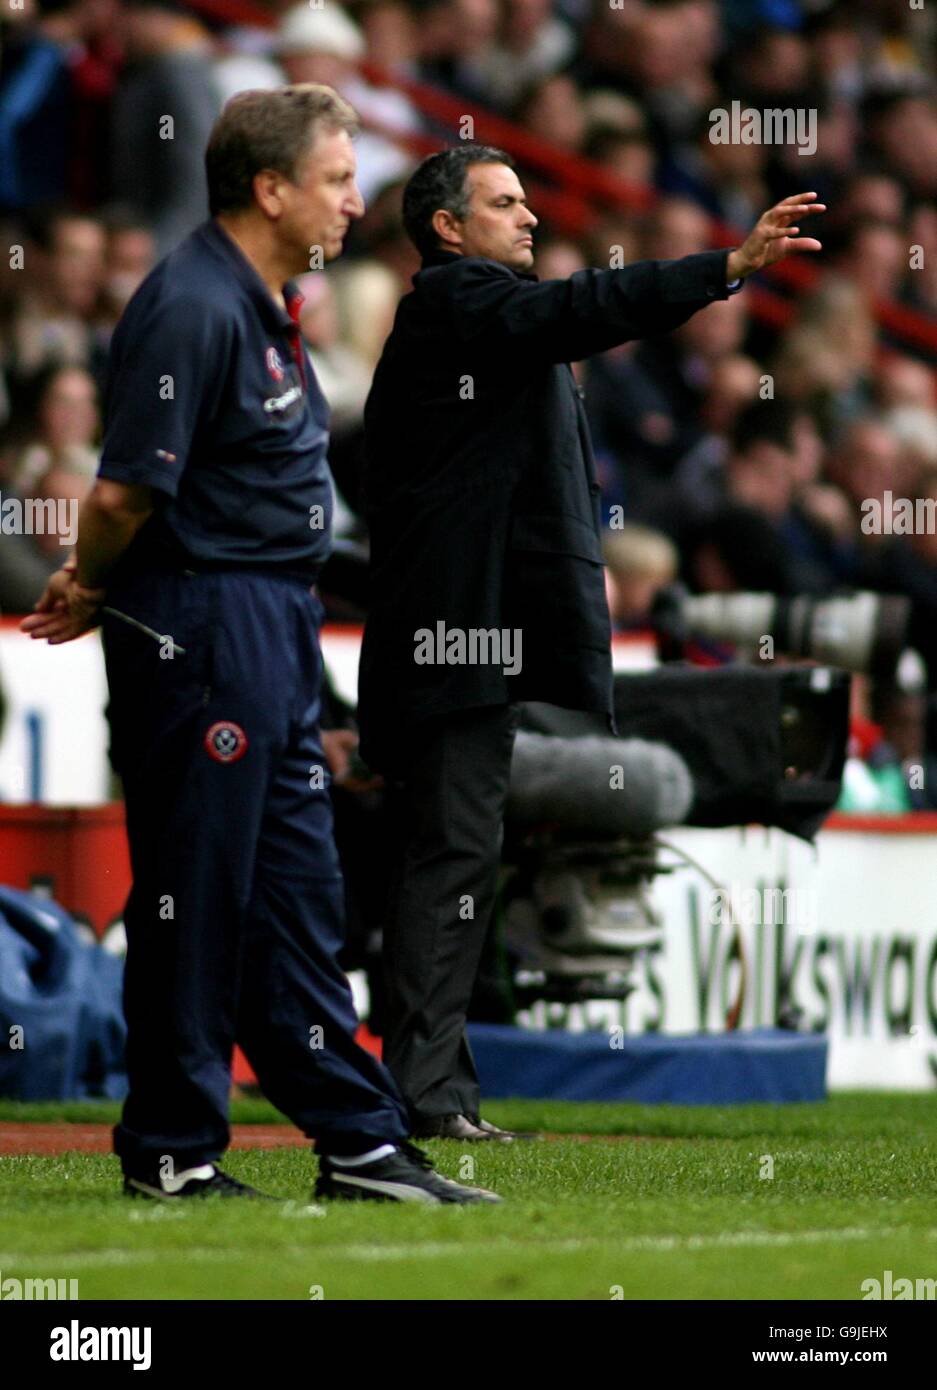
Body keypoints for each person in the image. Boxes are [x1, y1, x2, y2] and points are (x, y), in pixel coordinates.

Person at [21, 86, 498, 1207]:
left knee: (297, 891)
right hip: (204, 626)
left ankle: (358, 1138)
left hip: (272, 624)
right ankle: (175, 1148)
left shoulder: (262, 298)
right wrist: (91, 580)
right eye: (337, 178)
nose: (353, 198)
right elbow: (129, 486)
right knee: (200, 889)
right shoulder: (192, 305)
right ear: (270, 187)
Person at [358, 144, 824, 1140]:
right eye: (503, 202)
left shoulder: (478, 322)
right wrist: (721, 269)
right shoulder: (460, 304)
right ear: (447, 227)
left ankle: (434, 1090)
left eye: (530, 199)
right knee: (448, 857)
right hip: (449, 642)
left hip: (458, 640)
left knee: (457, 857)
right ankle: (421, 1100)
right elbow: (575, 310)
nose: (528, 217)